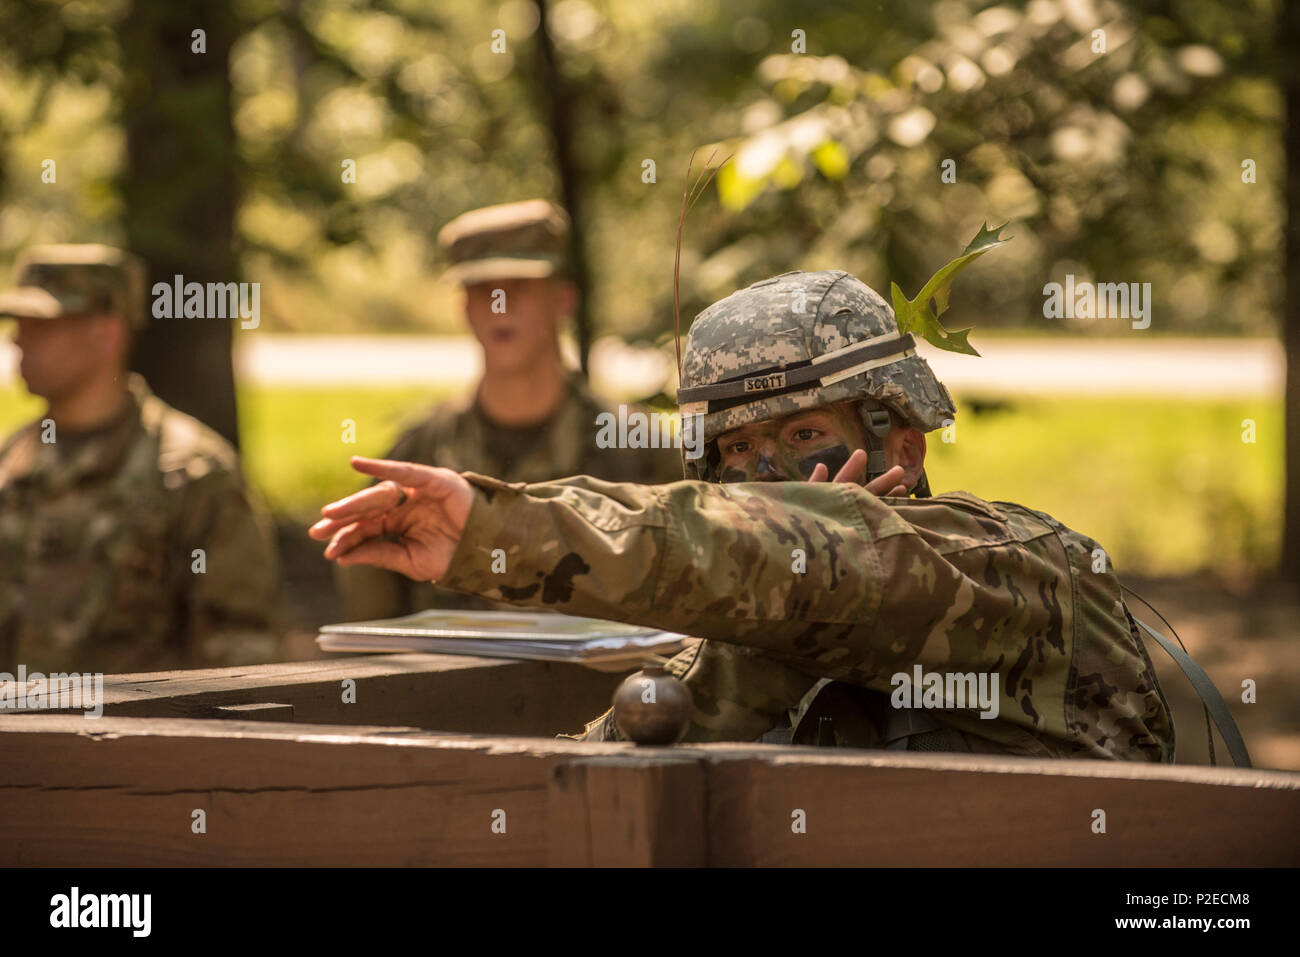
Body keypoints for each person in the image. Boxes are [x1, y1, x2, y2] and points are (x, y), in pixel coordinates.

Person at [310, 269, 1174, 761]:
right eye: (733, 450)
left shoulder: (1003, 564)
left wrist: (500, 532)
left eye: (802, 433)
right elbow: (605, 767)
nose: (764, 473)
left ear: (901, 445)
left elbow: (775, 557)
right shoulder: (753, 636)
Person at [335, 199, 681, 619]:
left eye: (519, 285)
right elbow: (375, 632)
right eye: (482, 289)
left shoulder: (638, 449)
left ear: (563, 299)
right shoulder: (419, 456)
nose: (500, 304)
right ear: (463, 308)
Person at [0, 244, 279, 674]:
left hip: (132, 737)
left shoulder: (190, 473)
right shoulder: (10, 462)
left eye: (42, 324)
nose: (18, 338)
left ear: (106, 333)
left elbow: (241, 655)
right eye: (18, 322)